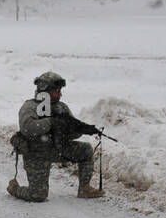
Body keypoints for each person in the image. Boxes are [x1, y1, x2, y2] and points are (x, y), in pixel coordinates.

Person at [8, 71, 105, 202]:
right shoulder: (30, 107)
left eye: (60, 90)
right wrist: (51, 122)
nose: (60, 94)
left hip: (58, 149)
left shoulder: (61, 107)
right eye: (57, 91)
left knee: (86, 149)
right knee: (37, 195)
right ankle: (14, 188)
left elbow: (72, 133)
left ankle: (84, 188)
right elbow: (27, 128)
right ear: (45, 91)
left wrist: (81, 129)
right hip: (36, 154)